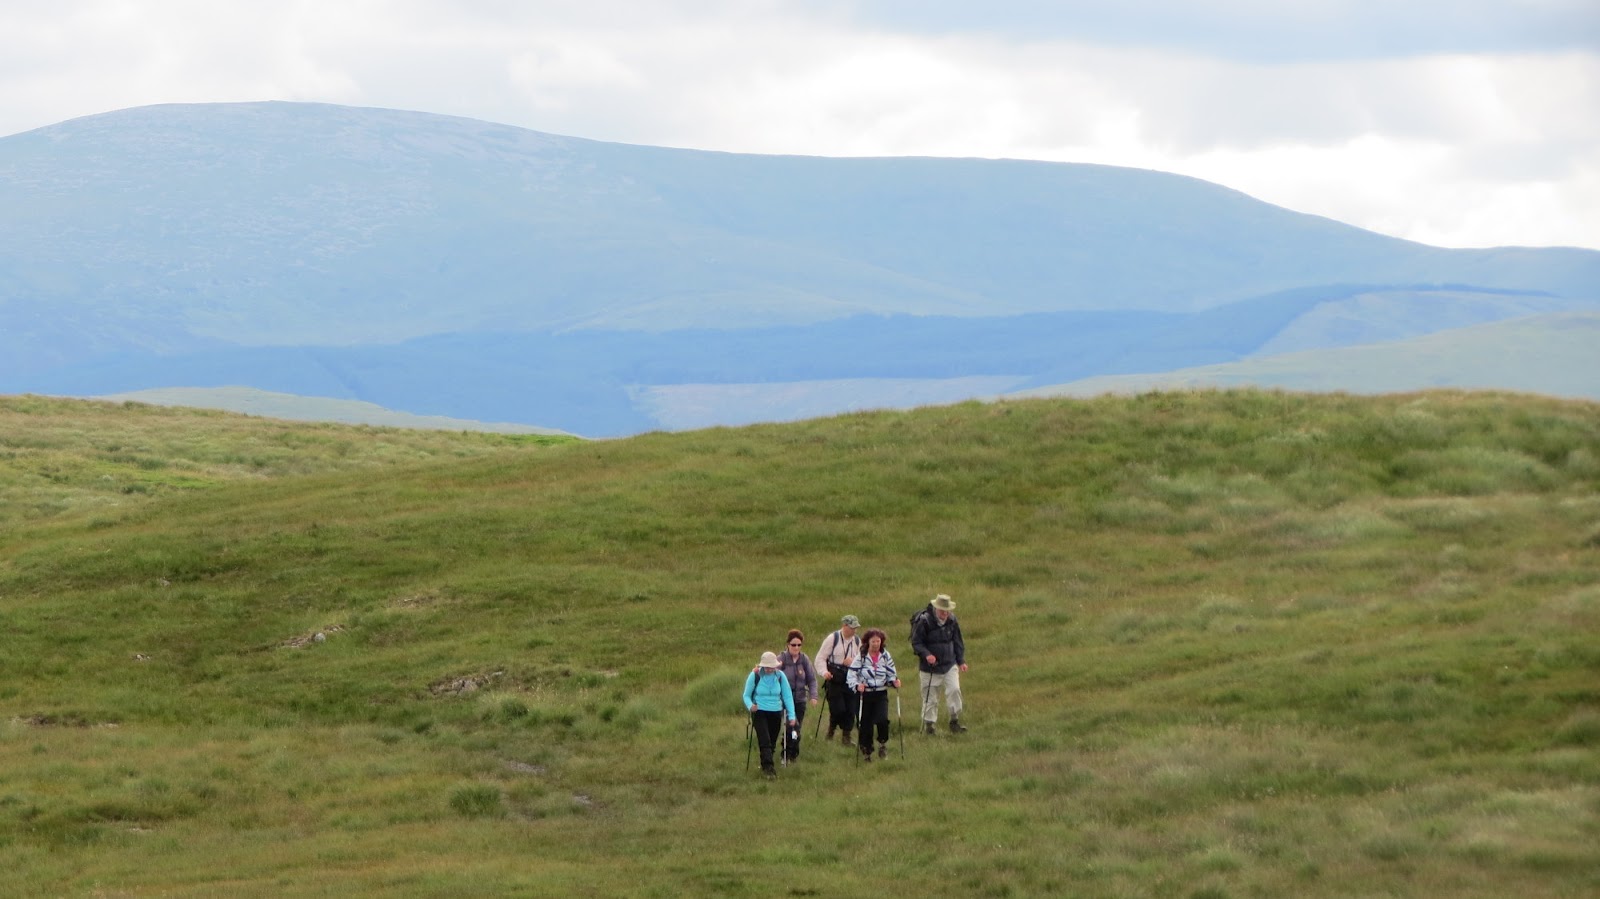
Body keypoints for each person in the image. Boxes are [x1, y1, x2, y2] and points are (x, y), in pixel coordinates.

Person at [910, 593, 968, 734]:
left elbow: (958, 641)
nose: (945, 614)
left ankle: (954, 721)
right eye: (943, 611)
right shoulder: (924, 621)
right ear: (936, 609)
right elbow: (916, 643)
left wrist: (961, 661)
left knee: (954, 690)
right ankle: (929, 726)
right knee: (930, 697)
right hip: (929, 668)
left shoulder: (952, 620)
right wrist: (927, 655)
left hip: (949, 664)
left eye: (947, 611)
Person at [847, 627, 901, 762]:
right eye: (873, 641)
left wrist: (894, 681)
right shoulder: (861, 657)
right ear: (868, 642)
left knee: (882, 720)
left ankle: (882, 743)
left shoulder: (885, 656)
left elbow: (891, 673)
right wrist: (857, 685)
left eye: (878, 641)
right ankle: (866, 752)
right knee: (865, 724)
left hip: (881, 693)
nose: (876, 644)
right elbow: (851, 674)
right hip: (864, 695)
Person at [742, 651, 797, 777]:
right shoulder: (755, 675)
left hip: (776, 712)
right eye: (767, 667)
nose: (769, 669)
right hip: (759, 712)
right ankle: (769, 768)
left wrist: (791, 715)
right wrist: (750, 706)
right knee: (765, 740)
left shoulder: (780, 676)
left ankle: (765, 763)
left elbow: (787, 696)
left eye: (771, 667)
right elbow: (746, 695)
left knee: (772, 741)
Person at [814, 614, 862, 745]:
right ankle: (831, 729)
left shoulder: (857, 641)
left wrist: (853, 662)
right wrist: (824, 672)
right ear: (844, 626)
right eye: (852, 628)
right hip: (835, 678)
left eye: (855, 628)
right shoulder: (832, 639)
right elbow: (820, 658)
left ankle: (846, 737)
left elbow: (862, 660)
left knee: (851, 709)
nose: (854, 631)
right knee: (838, 709)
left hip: (851, 679)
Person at [776, 629, 819, 763]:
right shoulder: (781, 659)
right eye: (793, 645)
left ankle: (793, 754)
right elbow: (773, 677)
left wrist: (813, 696)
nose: (796, 647)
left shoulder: (804, 659)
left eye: (799, 645)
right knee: (791, 726)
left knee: (796, 729)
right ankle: (786, 754)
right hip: (785, 700)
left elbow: (811, 679)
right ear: (788, 644)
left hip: (800, 700)